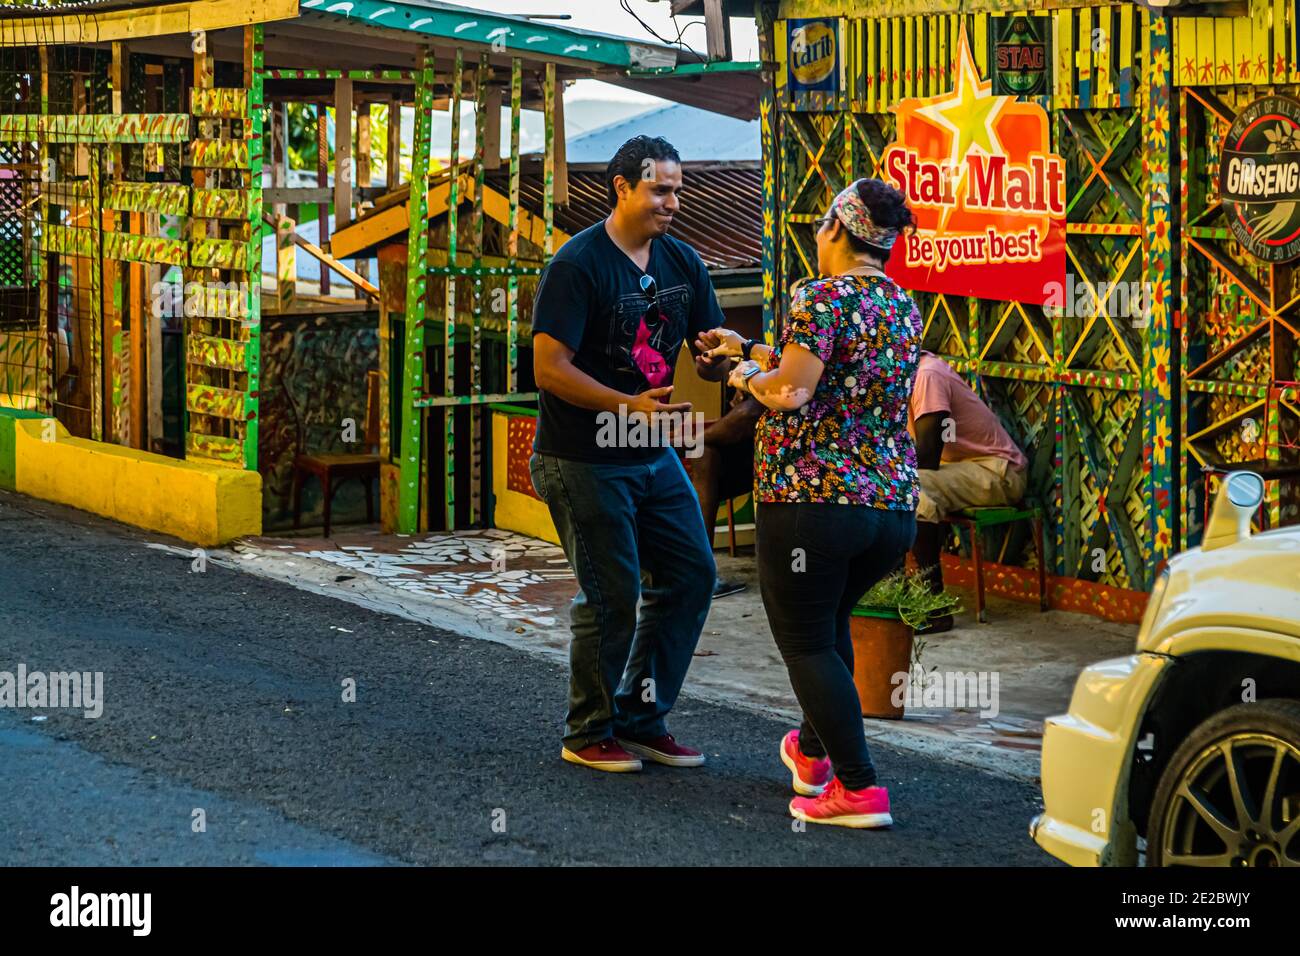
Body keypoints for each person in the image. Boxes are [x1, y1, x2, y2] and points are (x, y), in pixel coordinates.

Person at [700, 178, 920, 828]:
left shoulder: (819, 296)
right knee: (827, 631)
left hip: (811, 501)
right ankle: (813, 754)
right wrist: (748, 350)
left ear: (833, 229)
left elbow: (791, 394)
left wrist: (736, 373)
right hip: (887, 509)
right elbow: (819, 371)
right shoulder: (901, 306)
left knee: (803, 640)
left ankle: (859, 788)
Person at [528, 135, 730, 773]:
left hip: (649, 451)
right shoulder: (577, 264)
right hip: (581, 457)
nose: (674, 202)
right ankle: (588, 731)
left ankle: (642, 717)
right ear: (622, 187)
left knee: (692, 575)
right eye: (660, 189)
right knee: (611, 594)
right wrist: (626, 404)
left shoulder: (683, 261)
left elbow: (708, 340)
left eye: (678, 189)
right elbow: (548, 368)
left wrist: (716, 352)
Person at [908, 352, 1029, 633]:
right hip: (957, 469)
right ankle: (896, 594)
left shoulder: (927, 375)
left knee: (912, 488)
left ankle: (933, 606)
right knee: (892, 486)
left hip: (998, 472)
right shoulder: (895, 376)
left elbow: (926, 455)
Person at [689, 392, 763, 598]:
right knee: (703, 452)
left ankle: (683, 441)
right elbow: (711, 373)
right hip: (749, 435)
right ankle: (700, 573)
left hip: (788, 425)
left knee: (750, 410)